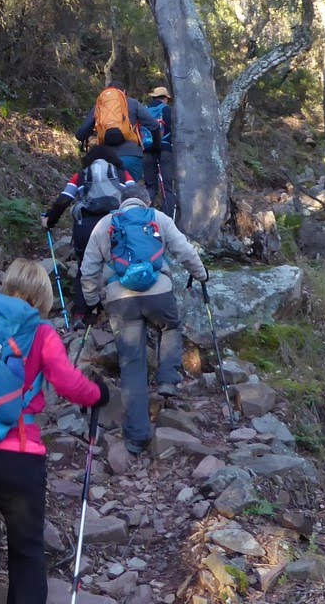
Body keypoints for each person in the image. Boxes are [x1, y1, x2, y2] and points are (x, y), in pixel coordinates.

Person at [0, 259, 108, 604]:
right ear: (42, 298)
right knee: (26, 557)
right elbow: (67, 382)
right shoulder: (40, 332)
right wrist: (98, 394)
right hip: (18, 462)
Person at [78, 186, 206, 455]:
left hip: (120, 299)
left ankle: (136, 438)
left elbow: (88, 268)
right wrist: (201, 274)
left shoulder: (106, 224)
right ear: (146, 201)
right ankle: (167, 378)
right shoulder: (158, 218)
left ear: (121, 203)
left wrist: (91, 302)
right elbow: (185, 250)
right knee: (170, 327)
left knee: (132, 365)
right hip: (158, 293)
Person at [41, 145, 136, 320]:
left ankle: (80, 312)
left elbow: (64, 200)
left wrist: (49, 221)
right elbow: (136, 197)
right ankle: (116, 311)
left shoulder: (81, 176)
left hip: (85, 227)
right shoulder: (123, 175)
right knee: (118, 264)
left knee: (84, 268)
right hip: (115, 225)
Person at [74, 81, 162, 182]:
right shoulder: (133, 103)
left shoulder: (100, 106)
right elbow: (155, 126)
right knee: (130, 189)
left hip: (106, 159)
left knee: (110, 189)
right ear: (123, 92)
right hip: (131, 156)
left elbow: (81, 134)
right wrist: (155, 148)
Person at [143, 86, 176, 218]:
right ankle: (166, 219)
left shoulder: (145, 110)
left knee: (150, 186)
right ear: (165, 98)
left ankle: (145, 218)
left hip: (147, 149)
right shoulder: (167, 110)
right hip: (165, 149)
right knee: (166, 187)